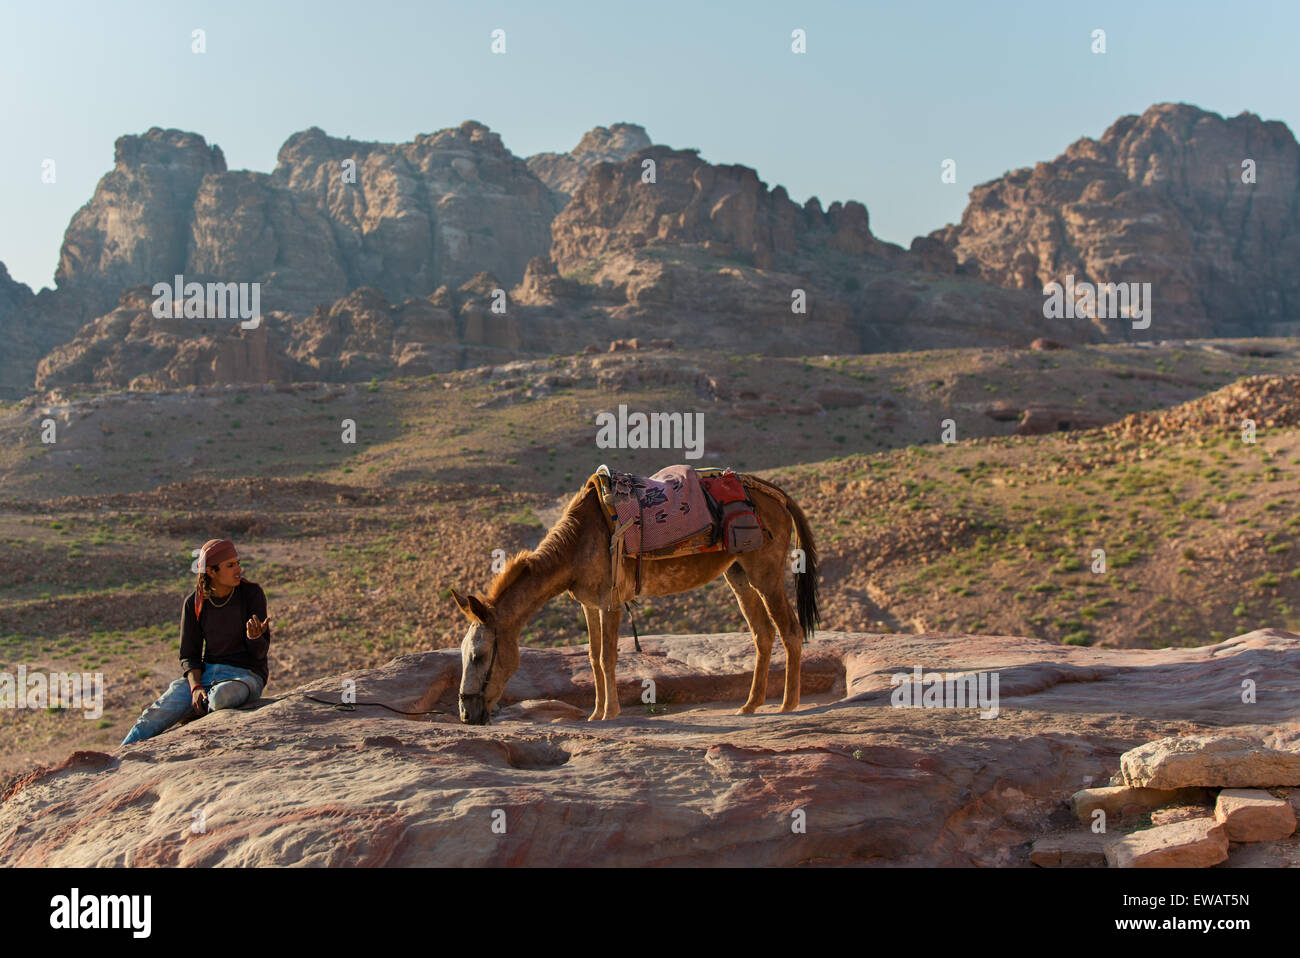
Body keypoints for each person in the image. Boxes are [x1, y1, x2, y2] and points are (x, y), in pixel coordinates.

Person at [120, 538, 271, 746]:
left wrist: (254, 638)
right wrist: (195, 687)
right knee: (153, 715)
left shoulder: (251, 594)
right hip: (207, 675)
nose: (238, 569)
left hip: (245, 676)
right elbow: (189, 655)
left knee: (220, 698)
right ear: (211, 571)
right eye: (230, 565)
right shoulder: (194, 604)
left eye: (237, 563)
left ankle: (198, 713)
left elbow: (260, 655)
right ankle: (114, 759)